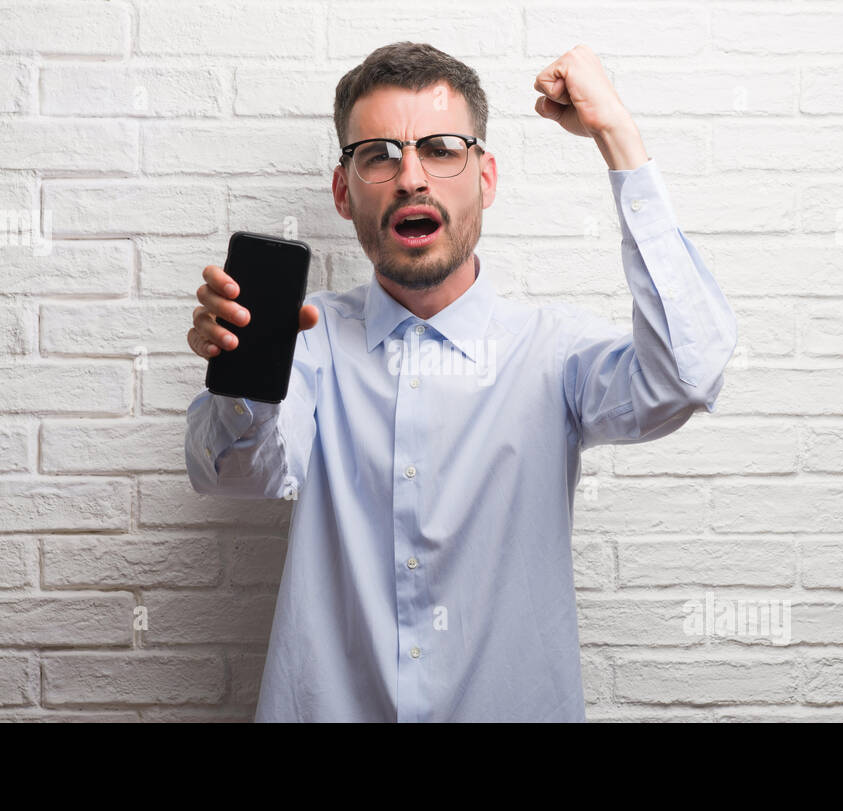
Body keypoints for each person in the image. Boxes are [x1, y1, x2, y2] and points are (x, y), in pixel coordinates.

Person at [184, 41, 738, 722]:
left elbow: (688, 376)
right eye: (379, 155)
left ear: (486, 178)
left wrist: (615, 132)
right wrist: (242, 372)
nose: (411, 177)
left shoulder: (552, 353)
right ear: (342, 191)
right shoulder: (307, 340)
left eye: (442, 148)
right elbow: (239, 476)